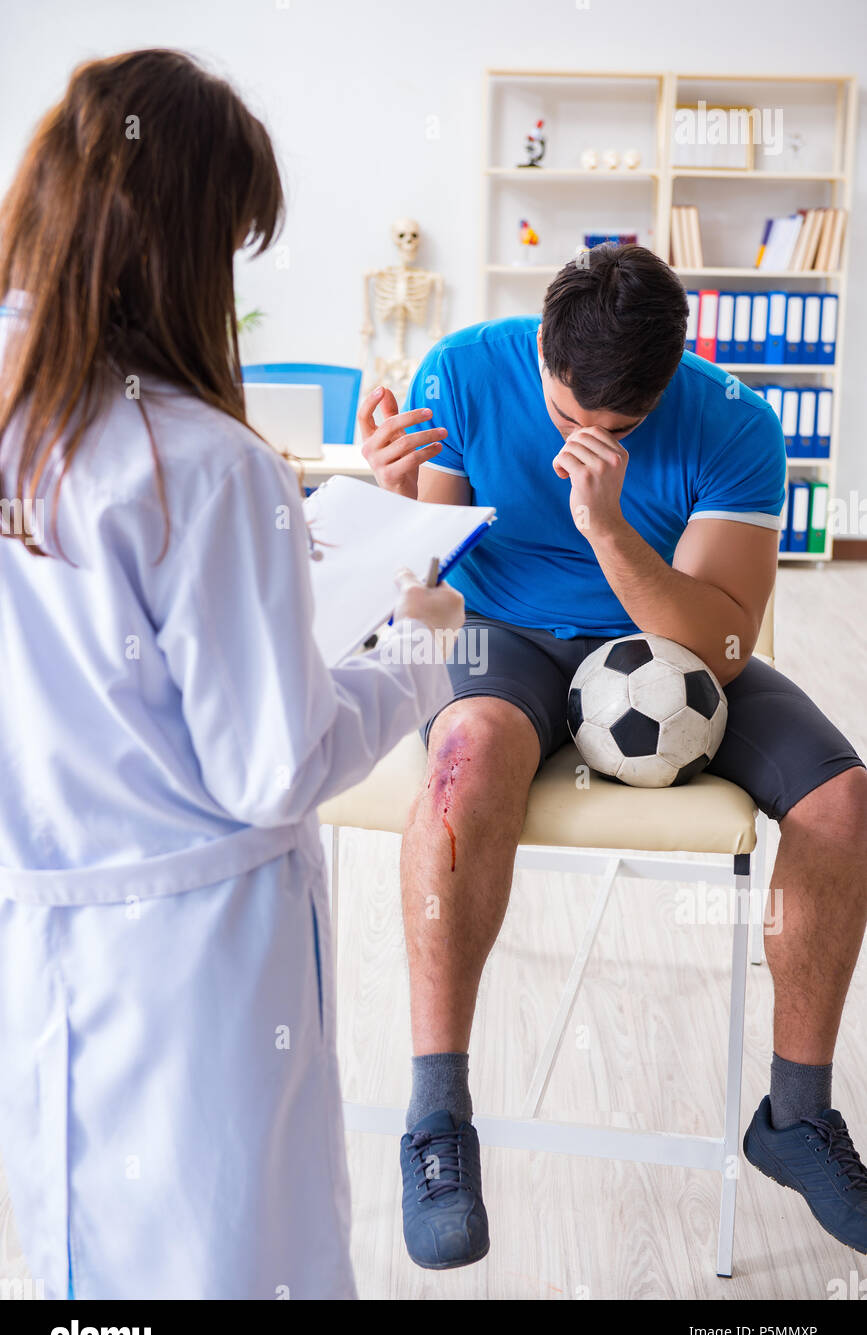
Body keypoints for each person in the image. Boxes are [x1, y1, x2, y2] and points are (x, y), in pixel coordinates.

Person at [0, 48, 464, 1300]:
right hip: (196, 961)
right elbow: (272, 765)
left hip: (40, 938)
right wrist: (420, 655)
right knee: (224, 1260)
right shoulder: (200, 464)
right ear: (182, 242)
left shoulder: (26, 419)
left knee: (85, 1275)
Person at [359, 242, 867, 1270]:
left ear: (665, 384)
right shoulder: (460, 370)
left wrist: (607, 531)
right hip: (495, 629)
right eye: (562, 415)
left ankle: (797, 1117)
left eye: (616, 430)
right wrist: (395, 499)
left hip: (667, 649)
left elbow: (722, 647)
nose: (580, 442)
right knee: (468, 755)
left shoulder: (736, 423)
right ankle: (438, 1115)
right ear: (543, 346)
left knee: (843, 800)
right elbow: (423, 590)